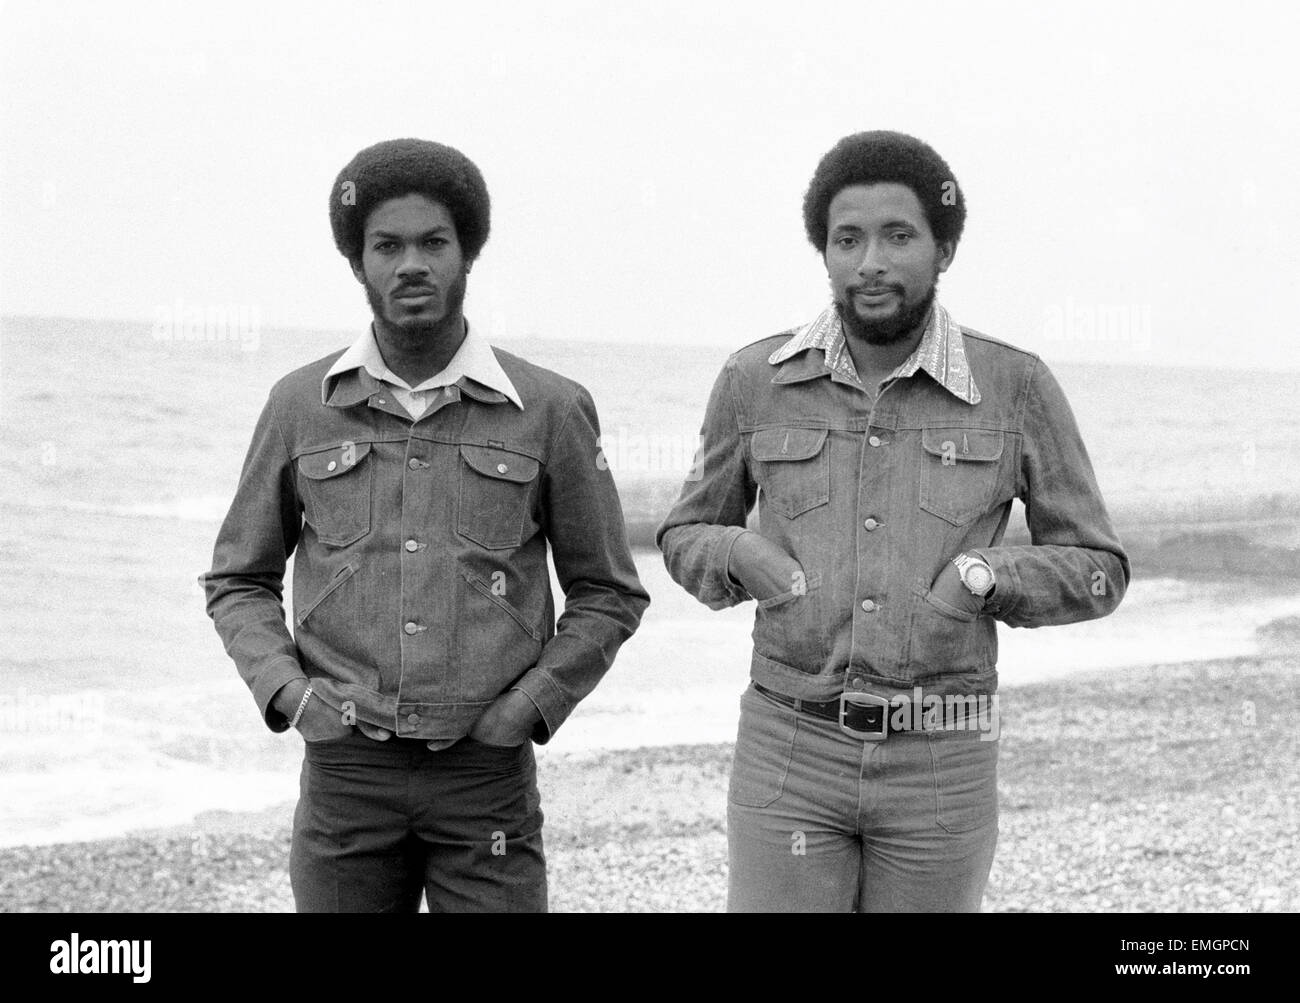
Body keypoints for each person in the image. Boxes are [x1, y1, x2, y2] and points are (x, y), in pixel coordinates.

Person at [656, 130, 1129, 912]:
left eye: (898, 235)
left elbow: (1097, 567)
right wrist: (740, 552)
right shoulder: (754, 380)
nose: (870, 260)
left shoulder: (1016, 386)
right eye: (848, 239)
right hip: (789, 747)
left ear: (943, 250)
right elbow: (682, 534)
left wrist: (986, 575)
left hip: (943, 754)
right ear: (826, 253)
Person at [204, 138, 649, 912]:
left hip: (486, 780)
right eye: (388, 246)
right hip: (346, 778)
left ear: (467, 253)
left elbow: (609, 591)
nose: (412, 264)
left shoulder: (550, 409)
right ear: (358, 264)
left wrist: (528, 706)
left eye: (433, 242)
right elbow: (238, 578)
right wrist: (291, 694)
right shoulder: (300, 405)